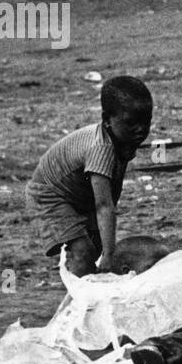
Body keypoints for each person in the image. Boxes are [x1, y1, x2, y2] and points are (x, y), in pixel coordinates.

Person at [26, 76, 152, 278]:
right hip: (49, 194)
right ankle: (77, 303)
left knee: (95, 249)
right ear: (107, 119)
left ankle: (86, 297)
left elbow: (110, 193)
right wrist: (109, 254)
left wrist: (105, 249)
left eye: (146, 122)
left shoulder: (123, 139)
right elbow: (104, 205)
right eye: (131, 123)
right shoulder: (101, 148)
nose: (141, 129)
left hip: (79, 194)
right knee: (83, 252)